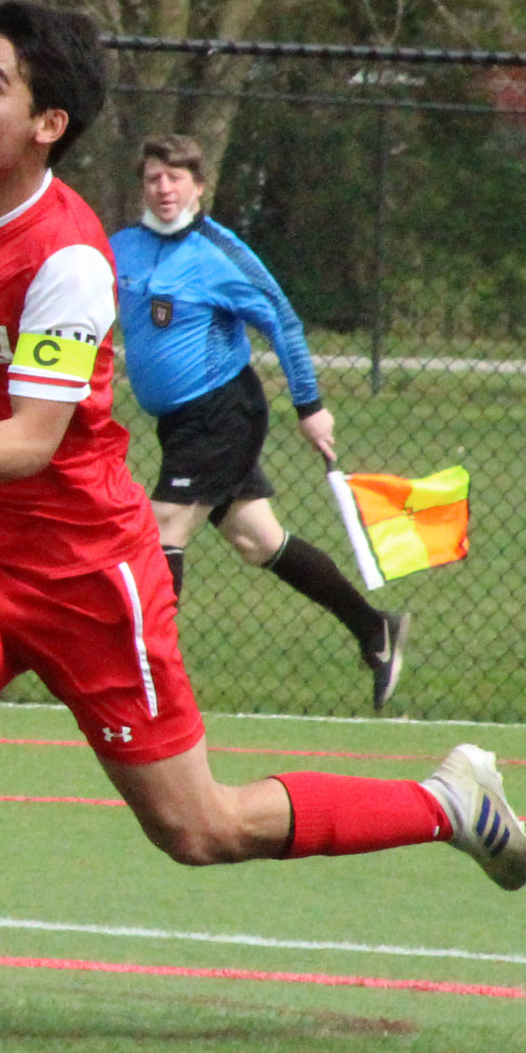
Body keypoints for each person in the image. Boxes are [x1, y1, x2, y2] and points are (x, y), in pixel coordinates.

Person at [0, 0, 526, 1041]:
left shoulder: (68, 258)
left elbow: (30, 438)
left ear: (47, 123)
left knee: (198, 828)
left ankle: (447, 801)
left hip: (90, 574)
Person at [112, 135, 408, 711]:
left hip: (224, 413)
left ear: (199, 186)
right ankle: (375, 630)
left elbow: (284, 323)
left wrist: (309, 406)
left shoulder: (219, 252)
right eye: (154, 178)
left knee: (161, 528)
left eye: (176, 178)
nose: (164, 188)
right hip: (178, 424)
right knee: (258, 540)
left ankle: (152, 681)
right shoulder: (120, 247)